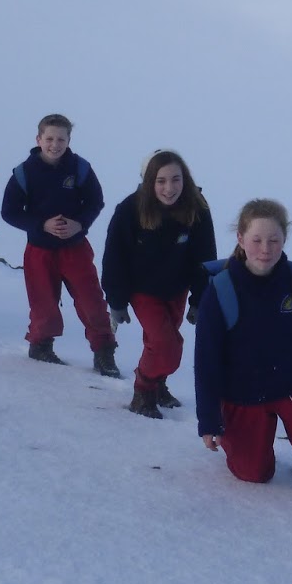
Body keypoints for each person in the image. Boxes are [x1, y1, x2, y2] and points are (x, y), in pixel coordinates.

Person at [193, 198, 292, 484]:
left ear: (284, 239)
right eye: (257, 240)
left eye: (274, 240)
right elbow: (206, 360)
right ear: (240, 238)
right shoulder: (221, 290)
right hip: (242, 392)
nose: (265, 249)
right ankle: (247, 444)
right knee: (253, 473)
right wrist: (209, 419)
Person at [0, 114, 119, 376]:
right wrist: (41, 224)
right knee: (44, 303)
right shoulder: (24, 173)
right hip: (40, 250)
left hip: (74, 247)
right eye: (49, 138)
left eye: (61, 139)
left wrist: (81, 224)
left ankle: (104, 353)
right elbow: (9, 211)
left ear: (69, 140)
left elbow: (95, 201)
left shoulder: (80, 168)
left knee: (91, 301)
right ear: (38, 139)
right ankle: (41, 345)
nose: (55, 144)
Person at [101, 149, 217, 417]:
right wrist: (116, 301)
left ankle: (158, 384)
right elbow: (114, 258)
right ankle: (143, 389)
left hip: (177, 288)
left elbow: (205, 256)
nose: (169, 188)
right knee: (167, 346)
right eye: (161, 181)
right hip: (142, 289)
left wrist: (201, 299)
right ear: (149, 181)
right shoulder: (130, 209)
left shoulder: (196, 207)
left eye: (176, 179)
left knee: (159, 343)